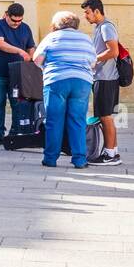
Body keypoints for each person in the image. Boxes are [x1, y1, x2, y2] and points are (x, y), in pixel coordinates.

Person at [32, 10, 95, 170]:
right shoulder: (86, 39)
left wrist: (46, 68)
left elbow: (37, 59)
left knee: (54, 121)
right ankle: (80, 160)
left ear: (57, 25)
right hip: (81, 82)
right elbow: (93, 62)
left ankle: (51, 159)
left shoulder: (52, 37)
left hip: (56, 81)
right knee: (78, 120)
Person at [0, 2, 36, 146]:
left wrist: (31, 61)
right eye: (14, 20)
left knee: (17, 103)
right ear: (7, 15)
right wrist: (19, 51)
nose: (17, 23)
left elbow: (30, 47)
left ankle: (15, 133)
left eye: (19, 20)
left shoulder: (26, 28)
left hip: (19, 73)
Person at [81, 0, 122, 166]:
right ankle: (112, 151)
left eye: (87, 12)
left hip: (105, 78)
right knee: (104, 116)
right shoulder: (100, 27)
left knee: (105, 117)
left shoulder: (106, 27)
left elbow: (113, 51)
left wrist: (94, 60)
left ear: (97, 11)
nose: (85, 16)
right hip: (102, 78)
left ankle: (110, 155)